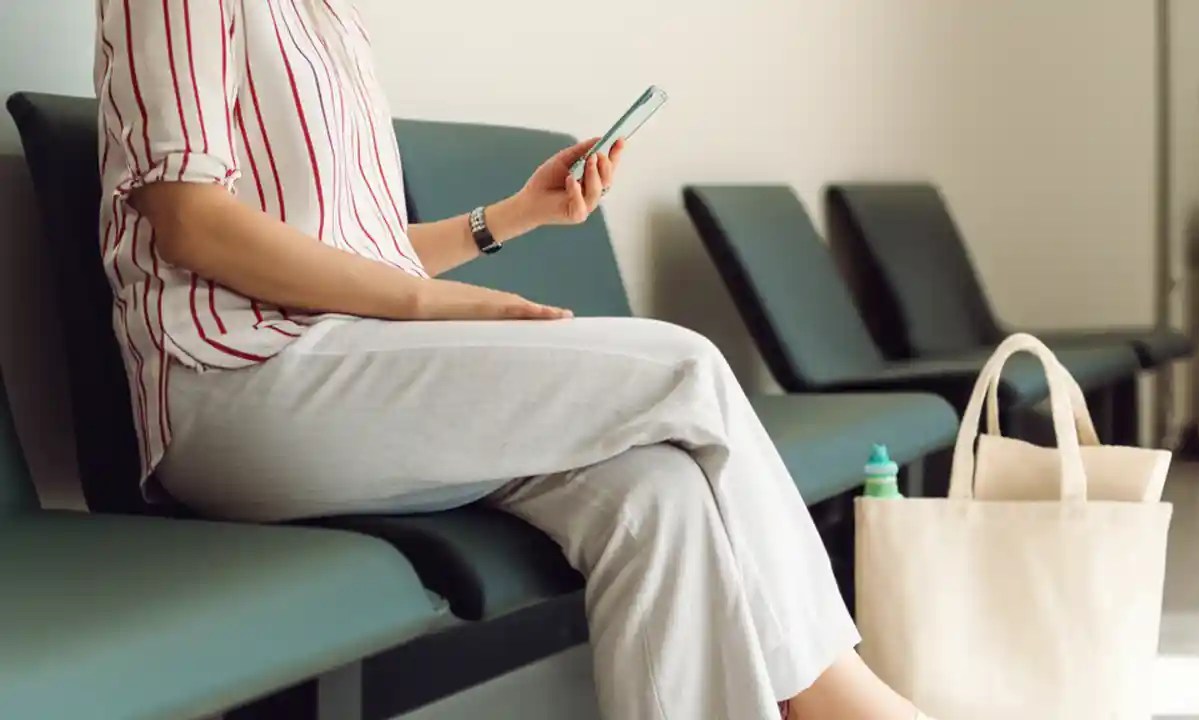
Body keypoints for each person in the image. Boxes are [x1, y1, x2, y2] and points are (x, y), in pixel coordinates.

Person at [94, 1, 933, 718]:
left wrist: (513, 217)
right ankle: (833, 692)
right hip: (239, 384)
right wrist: (429, 305)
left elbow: (357, 251)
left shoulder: (331, 16)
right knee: (687, 368)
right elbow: (190, 219)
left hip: (348, 377)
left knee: (660, 496)